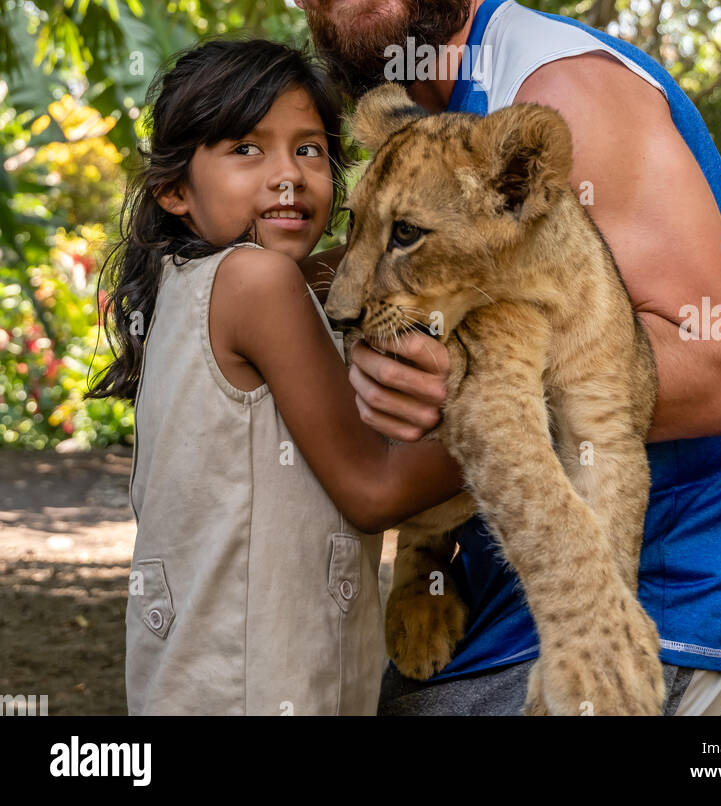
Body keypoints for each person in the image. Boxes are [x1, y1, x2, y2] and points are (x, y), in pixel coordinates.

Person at [262, 0, 721, 718]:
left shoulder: (556, 89)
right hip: (500, 607)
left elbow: (716, 375)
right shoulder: (413, 126)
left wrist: (457, 386)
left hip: (665, 605)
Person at [87, 36, 462, 716]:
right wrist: (528, 421)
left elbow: (341, 269)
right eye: (245, 149)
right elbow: (375, 491)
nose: (287, 174)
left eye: (309, 149)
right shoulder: (255, 283)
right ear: (174, 189)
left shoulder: (193, 284)